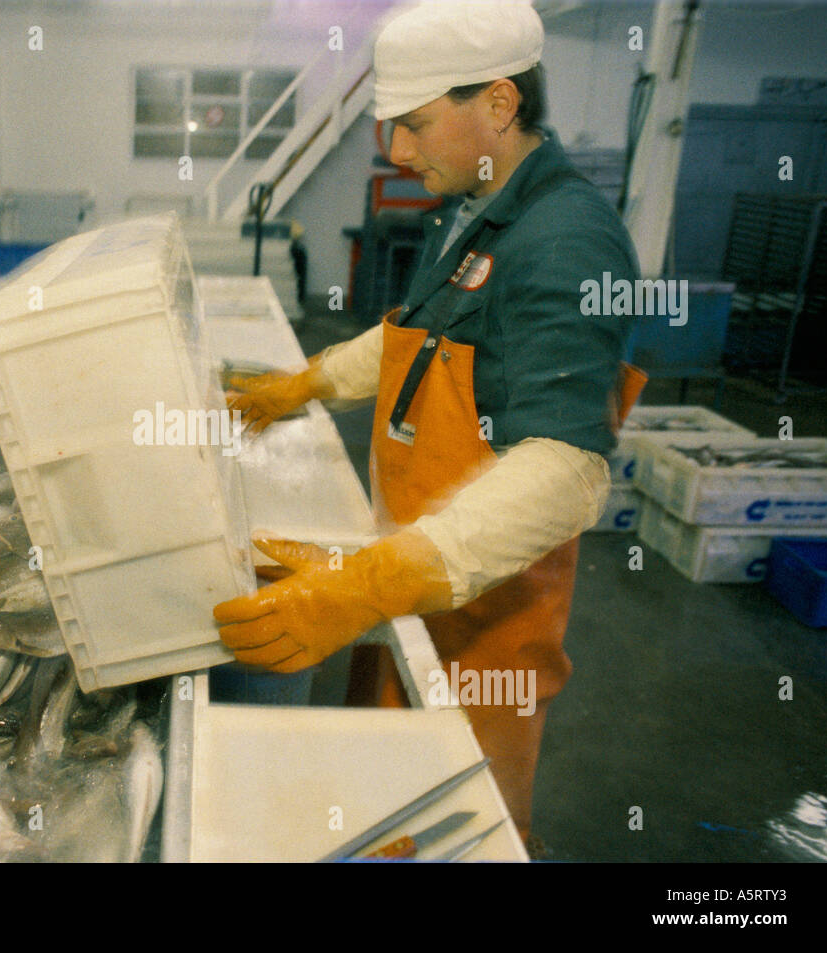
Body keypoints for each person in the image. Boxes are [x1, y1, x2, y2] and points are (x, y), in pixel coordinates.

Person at [214, 0, 646, 845]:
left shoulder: (567, 241)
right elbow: (411, 337)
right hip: (412, 577)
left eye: (412, 125)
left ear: (496, 104)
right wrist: (299, 386)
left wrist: (372, 582)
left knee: (457, 827)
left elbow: (565, 469)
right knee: (381, 815)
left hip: (484, 627)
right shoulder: (476, 204)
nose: (395, 151)